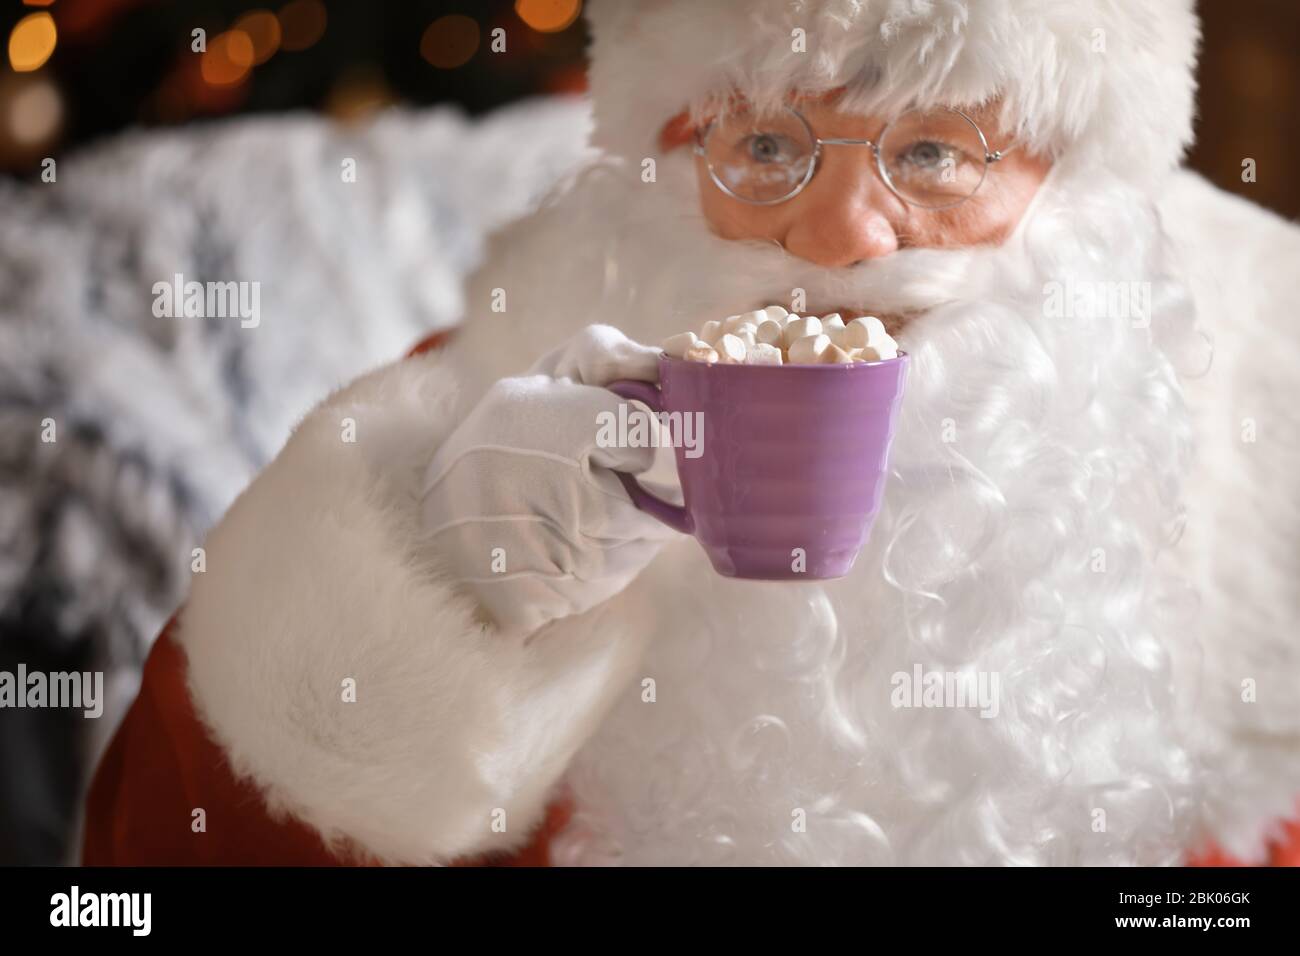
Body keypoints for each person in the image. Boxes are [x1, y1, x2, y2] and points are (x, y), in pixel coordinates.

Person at [83, 0, 1300, 866]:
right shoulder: (503, 398)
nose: (837, 239)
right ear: (676, 148)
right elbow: (152, 849)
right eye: (765, 144)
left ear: (1072, 180)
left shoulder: (1258, 422)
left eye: (932, 152)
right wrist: (439, 599)